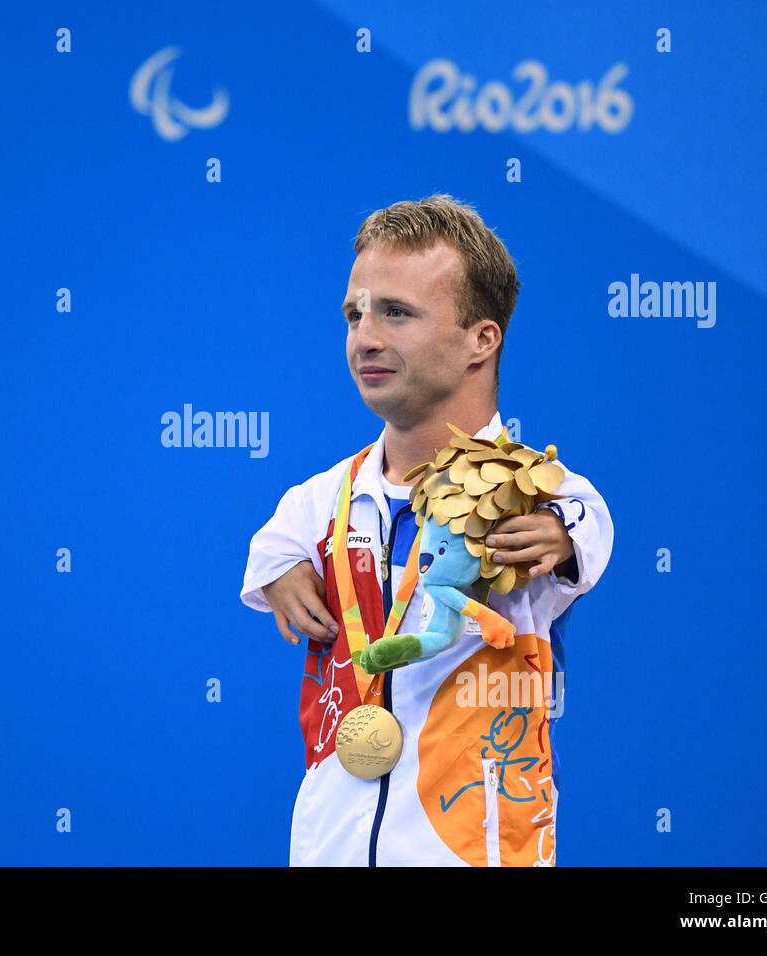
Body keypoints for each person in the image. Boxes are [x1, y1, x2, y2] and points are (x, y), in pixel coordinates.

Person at [240, 195, 613, 866]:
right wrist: (282, 568)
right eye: (355, 313)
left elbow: (585, 521)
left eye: (397, 313)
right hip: (329, 845)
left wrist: (555, 536)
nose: (366, 337)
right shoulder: (322, 497)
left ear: (482, 339)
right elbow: (268, 547)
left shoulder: (530, 491)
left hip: (475, 847)